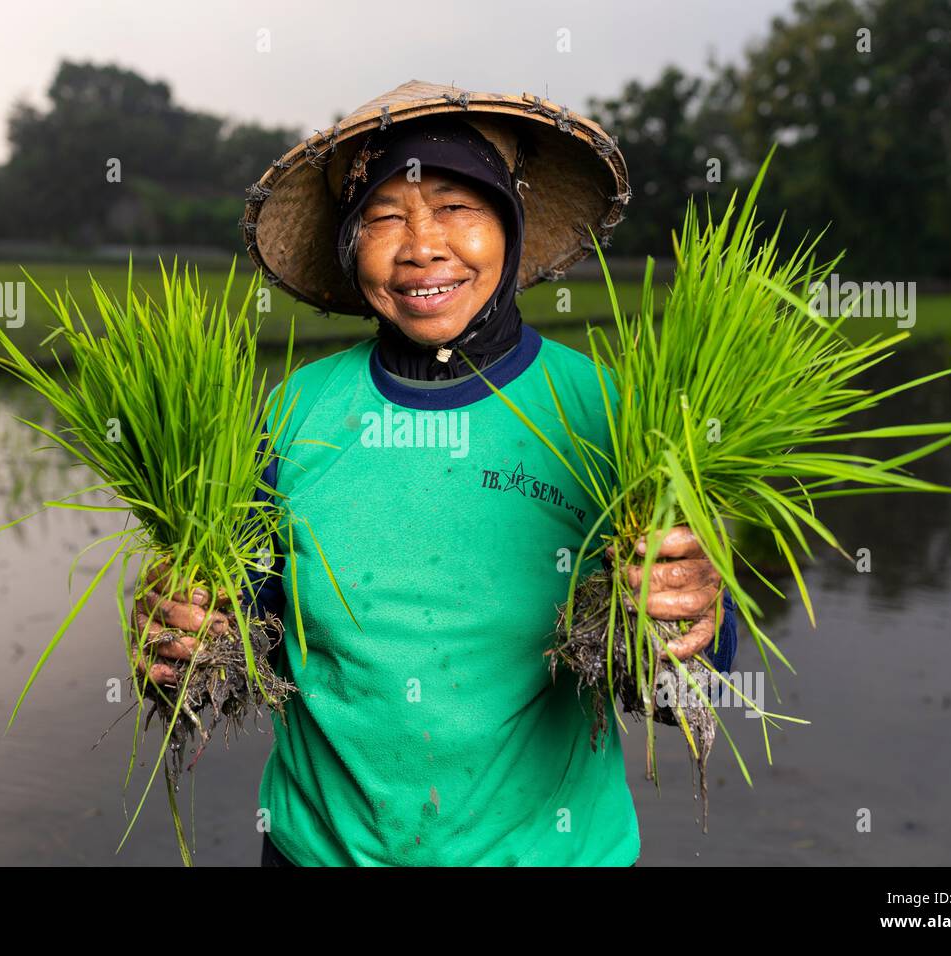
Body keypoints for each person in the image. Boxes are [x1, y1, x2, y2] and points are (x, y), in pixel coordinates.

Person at [136, 81, 737, 867]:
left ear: (509, 226)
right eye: (384, 217)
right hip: (317, 855)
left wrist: (694, 620)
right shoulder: (295, 413)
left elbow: (683, 693)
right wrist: (177, 639)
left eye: (457, 207)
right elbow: (242, 635)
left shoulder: (609, 413)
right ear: (353, 246)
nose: (422, 245)